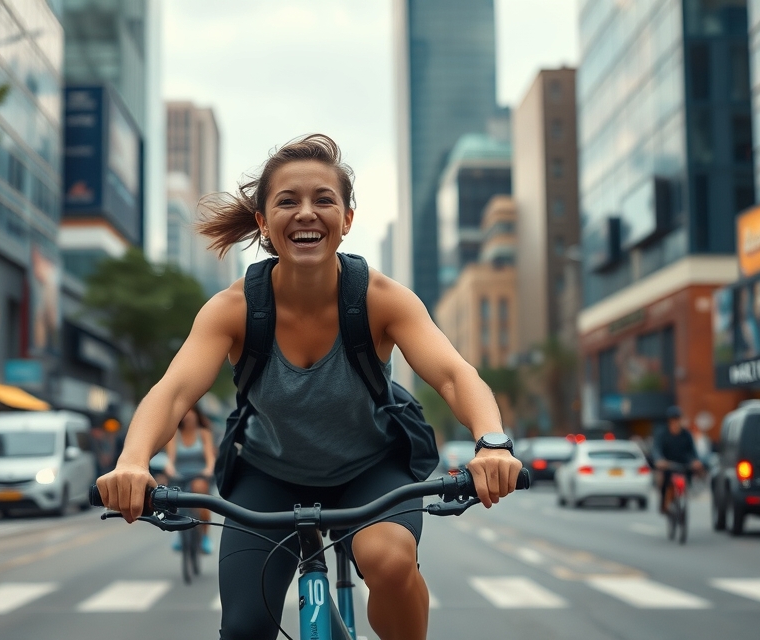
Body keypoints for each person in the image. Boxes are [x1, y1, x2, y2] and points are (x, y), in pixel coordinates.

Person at [96, 134, 521, 640]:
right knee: (245, 629)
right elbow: (173, 392)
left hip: (370, 470)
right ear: (262, 222)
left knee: (388, 562)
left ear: (346, 220)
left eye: (323, 200)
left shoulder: (381, 299)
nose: (306, 213)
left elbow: (454, 374)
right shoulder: (233, 309)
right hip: (267, 476)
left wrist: (491, 443)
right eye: (287, 201)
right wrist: (132, 462)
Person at [164, 407, 217, 555]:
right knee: (174, 502)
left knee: (200, 496)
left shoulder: (204, 433)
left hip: (199, 475)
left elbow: (210, 458)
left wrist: (208, 469)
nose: (187, 416)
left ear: (196, 415)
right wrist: (170, 469)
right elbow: (170, 458)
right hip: (179, 476)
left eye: (190, 413)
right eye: (184, 413)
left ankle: (205, 536)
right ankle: (180, 536)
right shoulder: (175, 435)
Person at [652, 406, 704, 515]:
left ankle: (684, 499)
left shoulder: (686, 435)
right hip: (668, 465)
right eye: (672, 420)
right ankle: (664, 504)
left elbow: (693, 451)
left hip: (684, 465)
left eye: (677, 419)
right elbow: (657, 449)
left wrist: (696, 461)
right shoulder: (663, 434)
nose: (675, 422)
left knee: (689, 478)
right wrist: (659, 460)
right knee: (664, 482)